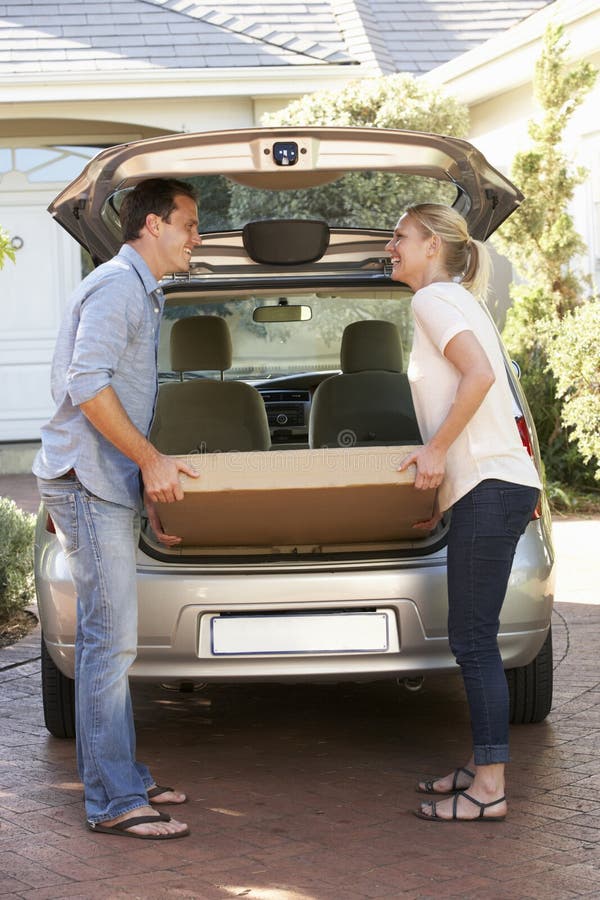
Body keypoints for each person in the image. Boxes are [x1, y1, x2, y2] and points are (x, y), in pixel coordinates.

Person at [34, 178, 202, 840]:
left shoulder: (139, 289)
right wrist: (154, 462)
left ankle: (123, 776)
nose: (196, 236)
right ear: (153, 225)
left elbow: (116, 395)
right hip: (86, 480)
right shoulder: (116, 287)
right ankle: (113, 802)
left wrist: (143, 481)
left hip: (106, 479)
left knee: (114, 641)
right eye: (189, 223)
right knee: (110, 642)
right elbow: (87, 382)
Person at [388, 203, 542, 823]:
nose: (391, 245)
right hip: (488, 487)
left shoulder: (433, 301)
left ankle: (491, 789)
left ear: (431, 245)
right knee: (471, 635)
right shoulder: (453, 300)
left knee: (473, 638)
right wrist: (441, 495)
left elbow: (477, 378)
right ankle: (483, 768)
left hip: (492, 486)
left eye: (400, 236)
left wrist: (434, 451)